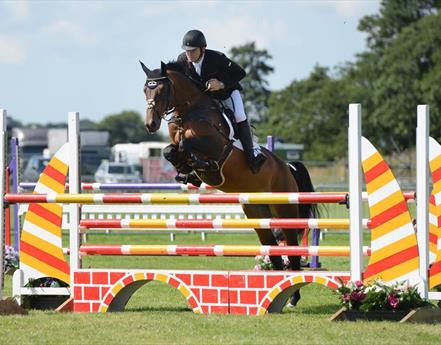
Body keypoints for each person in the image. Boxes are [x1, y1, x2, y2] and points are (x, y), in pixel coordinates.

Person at [177, 29, 267, 174]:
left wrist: (221, 84)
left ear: (203, 48)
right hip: (206, 100)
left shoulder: (216, 58)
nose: (189, 54)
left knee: (239, 116)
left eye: (193, 51)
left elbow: (240, 73)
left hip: (227, 93)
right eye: (187, 50)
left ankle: (252, 155)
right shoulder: (182, 61)